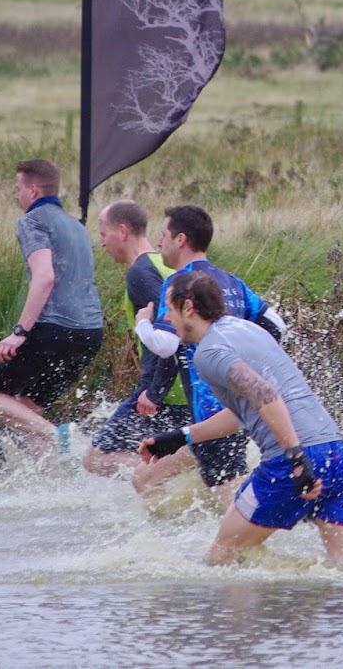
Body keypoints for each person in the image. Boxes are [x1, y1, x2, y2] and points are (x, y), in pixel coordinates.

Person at [139, 272, 343, 564]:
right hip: (337, 455)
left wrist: (297, 460)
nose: (167, 318)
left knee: (221, 558)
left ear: (188, 307)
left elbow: (265, 394)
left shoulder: (208, 352)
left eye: (169, 309)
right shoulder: (248, 329)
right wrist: (180, 437)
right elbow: (247, 411)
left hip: (290, 462)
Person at [131, 204, 281, 502]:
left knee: (233, 501)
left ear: (180, 239)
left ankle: (264, 523)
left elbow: (166, 344)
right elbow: (276, 324)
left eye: (163, 235)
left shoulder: (179, 283)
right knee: (144, 479)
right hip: (219, 414)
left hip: (214, 413)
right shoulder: (231, 282)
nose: (158, 242)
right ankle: (181, 539)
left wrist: (142, 324)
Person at [0, 158, 105, 453]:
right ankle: (46, 483)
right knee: (25, 410)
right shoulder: (77, 226)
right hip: (90, 333)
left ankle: (61, 437)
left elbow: (44, 278)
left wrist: (19, 331)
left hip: (53, 328)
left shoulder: (32, 221)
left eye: (17, 188)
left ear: (33, 189)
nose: (15, 195)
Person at [76, 200, 187, 474]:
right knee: (158, 453)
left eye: (103, 235)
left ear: (122, 231)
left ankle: (179, 474)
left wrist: (154, 391)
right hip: (185, 387)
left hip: (166, 392)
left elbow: (170, 336)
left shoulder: (140, 273)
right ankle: (181, 476)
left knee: (96, 458)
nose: (101, 243)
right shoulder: (165, 265)